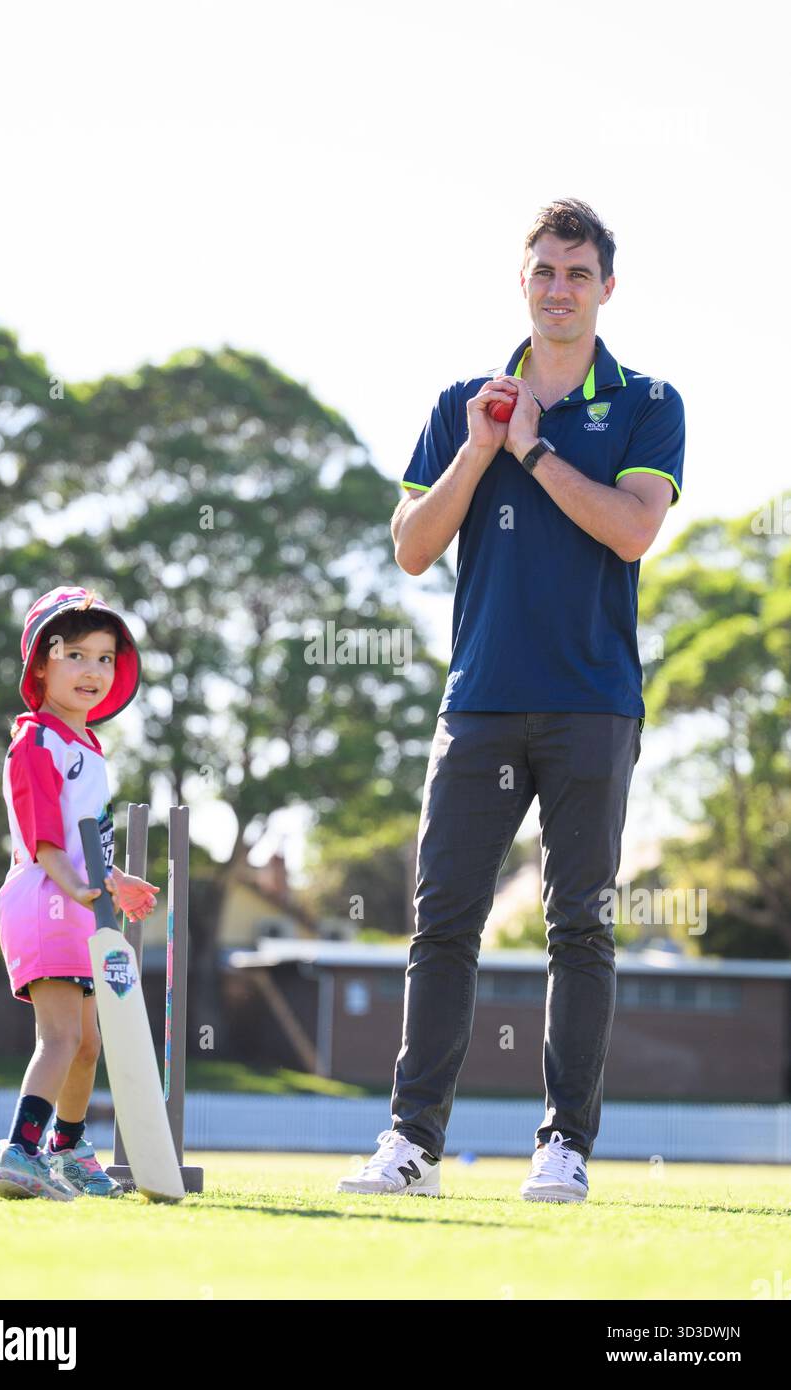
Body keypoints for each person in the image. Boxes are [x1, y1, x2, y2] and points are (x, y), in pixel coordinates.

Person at [336, 198, 685, 1202]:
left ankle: (561, 1149)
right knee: (440, 922)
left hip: (590, 705)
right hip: (478, 702)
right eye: (542, 270)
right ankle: (410, 1146)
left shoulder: (648, 400)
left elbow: (629, 531)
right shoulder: (462, 403)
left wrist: (534, 449)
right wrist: (481, 448)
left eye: (577, 273)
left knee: (578, 927)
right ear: (520, 280)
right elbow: (408, 549)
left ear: (604, 287)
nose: (558, 288)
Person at [0, 585, 160, 1200]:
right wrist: (85, 889)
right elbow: (44, 843)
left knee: (88, 1043)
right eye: (75, 655)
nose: (92, 670)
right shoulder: (35, 739)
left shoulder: (85, 744)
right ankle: (21, 1152)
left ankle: (67, 1150)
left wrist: (113, 881)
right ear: (41, 664)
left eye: (105, 658)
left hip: (78, 900)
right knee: (61, 1037)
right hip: (45, 898)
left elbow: (82, 840)